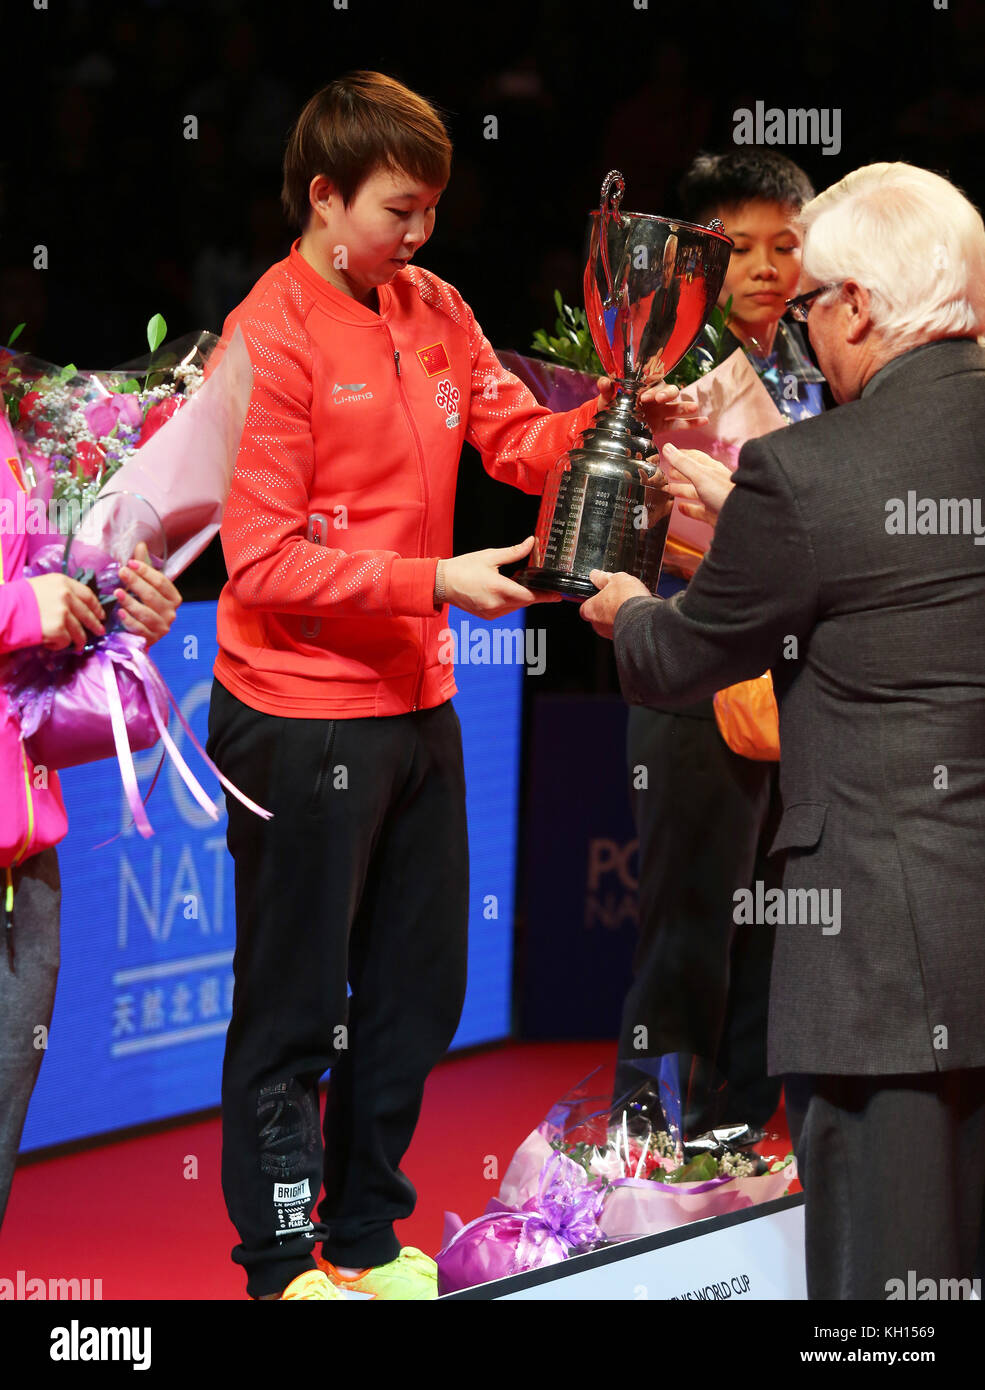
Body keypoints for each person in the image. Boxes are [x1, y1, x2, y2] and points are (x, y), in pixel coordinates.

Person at [202, 70, 694, 1302]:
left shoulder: (431, 305)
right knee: (294, 1009)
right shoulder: (265, 337)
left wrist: (613, 419)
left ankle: (365, 1233)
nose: (419, 235)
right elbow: (260, 562)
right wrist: (433, 580)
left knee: (419, 992)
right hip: (296, 707)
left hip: (417, 704)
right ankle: (275, 1263)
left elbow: (511, 434)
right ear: (324, 197)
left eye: (430, 210)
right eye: (397, 210)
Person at [582, 161, 985, 1299]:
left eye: (810, 304)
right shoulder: (807, 482)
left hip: (880, 982)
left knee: (884, 1294)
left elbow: (681, 655)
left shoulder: (810, 473)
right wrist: (739, 508)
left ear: (858, 304)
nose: (804, 326)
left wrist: (624, 605)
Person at [616, 151, 824, 1137]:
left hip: (801, 677)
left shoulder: (814, 361)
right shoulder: (662, 371)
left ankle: (745, 1137)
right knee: (691, 926)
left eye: (787, 243)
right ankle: (657, 1145)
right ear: (702, 252)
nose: (768, 266)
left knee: (776, 926)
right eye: (741, 247)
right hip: (697, 666)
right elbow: (644, 526)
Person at [0, 407, 182, 1230]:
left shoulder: (16, 423)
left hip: (25, 846)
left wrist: (112, 609)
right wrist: (19, 610)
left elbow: (40, 614)